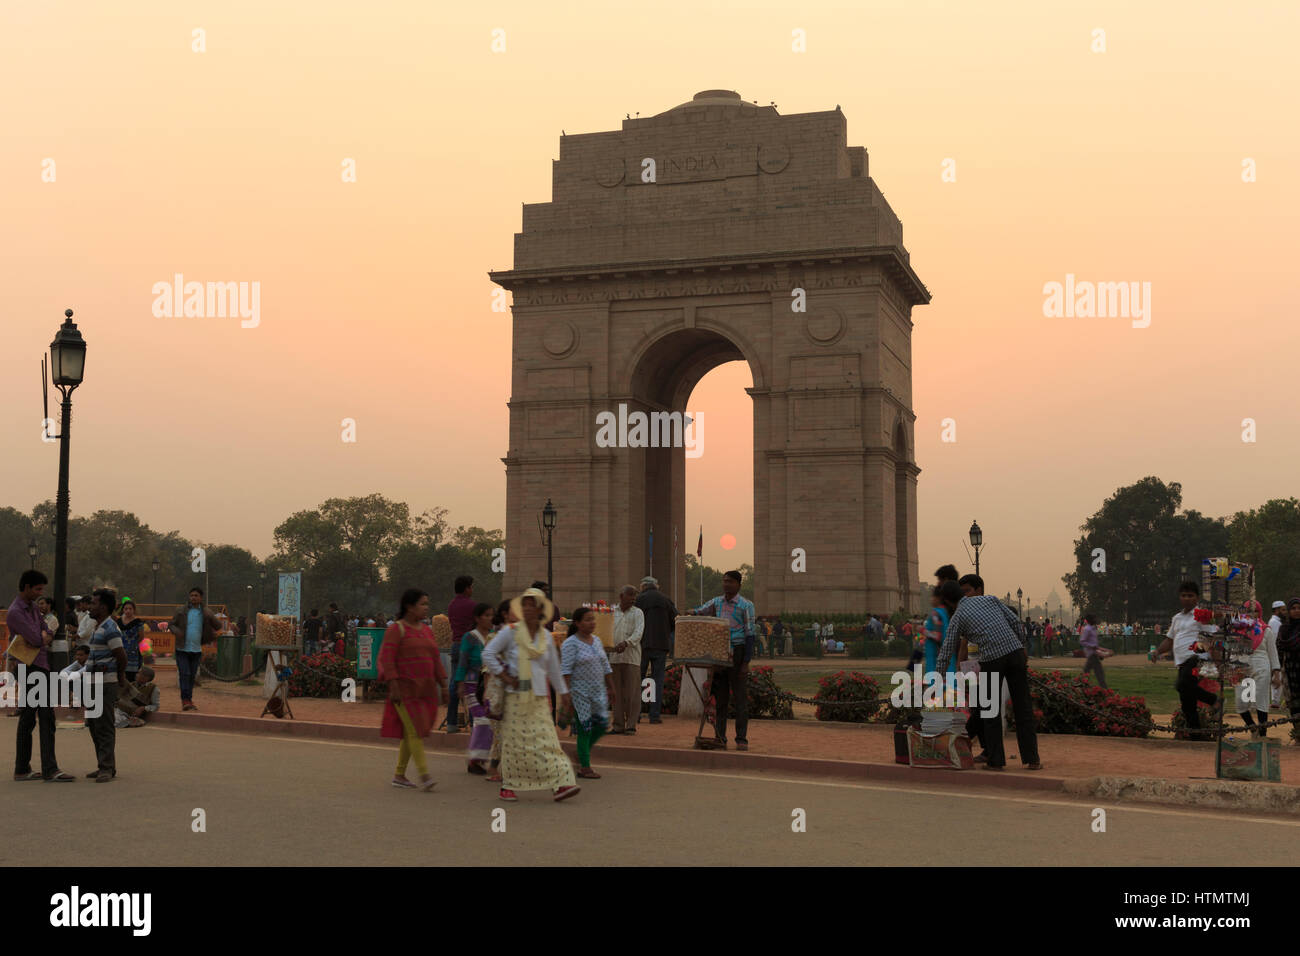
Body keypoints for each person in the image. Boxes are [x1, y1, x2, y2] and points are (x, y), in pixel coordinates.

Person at [481, 587, 580, 802]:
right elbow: (488, 653)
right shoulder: (511, 631)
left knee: (548, 741)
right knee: (515, 743)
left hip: (539, 696)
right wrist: (504, 675)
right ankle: (508, 786)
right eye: (524, 604)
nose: (527, 608)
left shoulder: (545, 635)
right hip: (516, 695)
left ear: (541, 609)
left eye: (531, 604)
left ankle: (560, 784)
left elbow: (553, 668)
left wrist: (564, 693)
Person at [936, 574, 1041, 771]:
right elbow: (1015, 622)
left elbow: (946, 650)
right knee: (1023, 708)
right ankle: (1032, 759)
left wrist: (938, 678)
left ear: (949, 601)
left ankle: (996, 760)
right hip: (1015, 653)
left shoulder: (958, 616)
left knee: (990, 711)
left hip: (993, 659)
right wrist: (1022, 645)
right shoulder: (990, 599)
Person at [378, 589, 448, 792]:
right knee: (414, 730)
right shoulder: (396, 630)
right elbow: (387, 659)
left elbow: (434, 659)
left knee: (412, 732)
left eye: (427, 603)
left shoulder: (427, 631)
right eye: (422, 604)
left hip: (424, 690)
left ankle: (399, 775)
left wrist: (443, 685)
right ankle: (424, 774)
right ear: (410, 606)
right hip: (404, 690)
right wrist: (393, 685)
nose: (426, 607)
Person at [10, 570, 74, 782]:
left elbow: (46, 629)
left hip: (38, 665)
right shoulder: (16, 612)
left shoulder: (31, 609)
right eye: (37, 589)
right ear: (26, 587)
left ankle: (22, 768)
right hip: (30, 667)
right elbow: (38, 638)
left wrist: (43, 635)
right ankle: (49, 768)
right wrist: (42, 636)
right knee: (44, 717)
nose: (40, 593)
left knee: (30, 718)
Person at [689, 570, 757, 751]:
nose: (726, 584)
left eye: (730, 582)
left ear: (738, 585)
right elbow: (700, 611)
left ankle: (741, 739)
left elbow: (750, 634)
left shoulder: (746, 605)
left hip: (738, 651)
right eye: (724, 581)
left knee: (740, 699)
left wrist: (745, 663)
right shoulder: (716, 602)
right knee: (721, 699)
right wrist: (689, 613)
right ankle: (720, 737)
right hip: (719, 653)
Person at [1156, 580, 1219, 740]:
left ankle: (1214, 701)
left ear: (1197, 598)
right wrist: (1157, 651)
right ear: (1179, 597)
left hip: (1198, 657)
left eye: (1190, 595)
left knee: (1182, 684)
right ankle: (1196, 736)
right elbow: (1169, 640)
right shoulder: (1177, 618)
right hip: (1182, 661)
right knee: (1187, 701)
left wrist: (1217, 662)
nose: (1186, 598)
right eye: (1183, 595)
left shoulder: (1203, 615)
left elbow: (1211, 637)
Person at [561, 606, 616, 779]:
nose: (592, 623)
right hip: (580, 693)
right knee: (585, 728)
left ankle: (580, 753)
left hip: (598, 692)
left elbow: (605, 666)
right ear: (577, 623)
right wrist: (567, 694)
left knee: (601, 726)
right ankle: (585, 766)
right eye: (587, 619)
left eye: (593, 619)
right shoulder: (570, 644)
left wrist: (611, 687)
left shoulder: (597, 641)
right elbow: (566, 671)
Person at [86, 587, 128, 782]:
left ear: (103, 607)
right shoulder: (99, 627)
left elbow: (121, 655)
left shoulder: (110, 628)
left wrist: (119, 675)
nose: (89, 607)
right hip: (94, 682)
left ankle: (107, 767)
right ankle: (104, 765)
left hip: (105, 683)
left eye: (93, 604)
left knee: (104, 725)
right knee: (95, 725)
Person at [454, 602, 496, 773]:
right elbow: (462, 662)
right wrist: (459, 684)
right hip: (472, 685)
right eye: (486, 615)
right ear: (477, 618)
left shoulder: (494, 636)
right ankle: (475, 760)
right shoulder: (470, 637)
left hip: (489, 686)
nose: (489, 618)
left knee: (490, 721)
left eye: (491, 615)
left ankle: (481, 757)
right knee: (481, 720)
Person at [1234, 600, 1280, 737]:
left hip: (1261, 666)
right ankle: (1253, 728)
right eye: (1248, 611)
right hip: (1241, 666)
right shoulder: (1236, 630)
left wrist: (1276, 674)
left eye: (1254, 611)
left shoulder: (1266, 630)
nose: (1251, 614)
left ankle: (1262, 735)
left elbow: (1273, 653)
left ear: (1259, 612)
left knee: (1261, 699)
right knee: (1241, 703)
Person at [169, 588, 221, 711]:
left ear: (201, 598)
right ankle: (185, 700)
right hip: (182, 648)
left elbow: (218, 625)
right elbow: (171, 624)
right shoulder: (181, 610)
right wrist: (177, 632)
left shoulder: (206, 612)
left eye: (196, 595)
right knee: (185, 674)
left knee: (192, 676)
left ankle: (189, 700)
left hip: (196, 649)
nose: (193, 598)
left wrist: (212, 632)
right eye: (191, 595)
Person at [635, 576, 676, 724]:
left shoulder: (639, 600)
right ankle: (654, 715)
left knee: (639, 679)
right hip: (661, 645)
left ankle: (637, 714)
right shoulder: (666, 600)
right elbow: (675, 621)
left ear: (643, 586)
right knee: (656, 680)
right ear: (656, 586)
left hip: (642, 645)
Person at [608, 585, 644, 734]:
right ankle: (618, 725)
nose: (633, 598)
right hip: (614, 658)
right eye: (630, 595)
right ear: (621, 596)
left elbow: (639, 632)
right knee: (616, 693)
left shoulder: (638, 613)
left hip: (631, 658)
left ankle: (630, 725)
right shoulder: (611, 612)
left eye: (635, 595)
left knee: (632, 694)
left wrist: (626, 643)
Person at [446, 576, 477, 733]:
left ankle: (451, 723)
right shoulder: (472, 605)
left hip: (456, 645)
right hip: (470, 646)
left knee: (454, 683)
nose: (472, 590)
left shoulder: (452, 605)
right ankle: (473, 723)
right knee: (471, 684)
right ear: (466, 588)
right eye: (471, 587)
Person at [1275, 598, 1300, 720]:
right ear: (1289, 611)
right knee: (1294, 706)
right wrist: (1276, 672)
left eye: (1299, 608)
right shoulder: (1283, 630)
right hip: (1290, 673)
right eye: (1293, 608)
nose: (1296, 611)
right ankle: (1297, 735)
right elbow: (1279, 650)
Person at [118, 599, 147, 683]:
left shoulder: (138, 622)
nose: (128, 611)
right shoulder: (118, 622)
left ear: (134, 610)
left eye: (130, 609)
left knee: (132, 677)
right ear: (123, 610)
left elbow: (141, 636)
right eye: (126, 609)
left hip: (133, 653)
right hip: (120, 651)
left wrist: (133, 645)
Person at [1079, 613, 1108, 689]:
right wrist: (1093, 647)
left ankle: (1081, 687)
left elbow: (1094, 643)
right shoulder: (1087, 629)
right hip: (1092, 654)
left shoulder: (1093, 628)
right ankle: (1105, 690)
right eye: (1094, 618)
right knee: (1099, 674)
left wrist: (1101, 651)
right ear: (1090, 620)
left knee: (1086, 673)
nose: (1096, 620)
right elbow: (1082, 641)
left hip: (1094, 654)